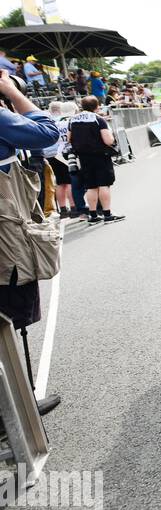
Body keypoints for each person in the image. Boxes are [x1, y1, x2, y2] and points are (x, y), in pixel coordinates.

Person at [0, 70, 61, 415]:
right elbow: (47, 134)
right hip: (5, 237)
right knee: (9, 316)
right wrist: (13, 93)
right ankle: (16, 406)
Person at [65, 96, 124, 224]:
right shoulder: (98, 119)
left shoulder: (72, 120)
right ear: (96, 107)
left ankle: (93, 216)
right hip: (100, 156)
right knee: (104, 185)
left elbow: (68, 139)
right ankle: (107, 215)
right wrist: (112, 139)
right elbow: (108, 140)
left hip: (83, 157)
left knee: (91, 186)